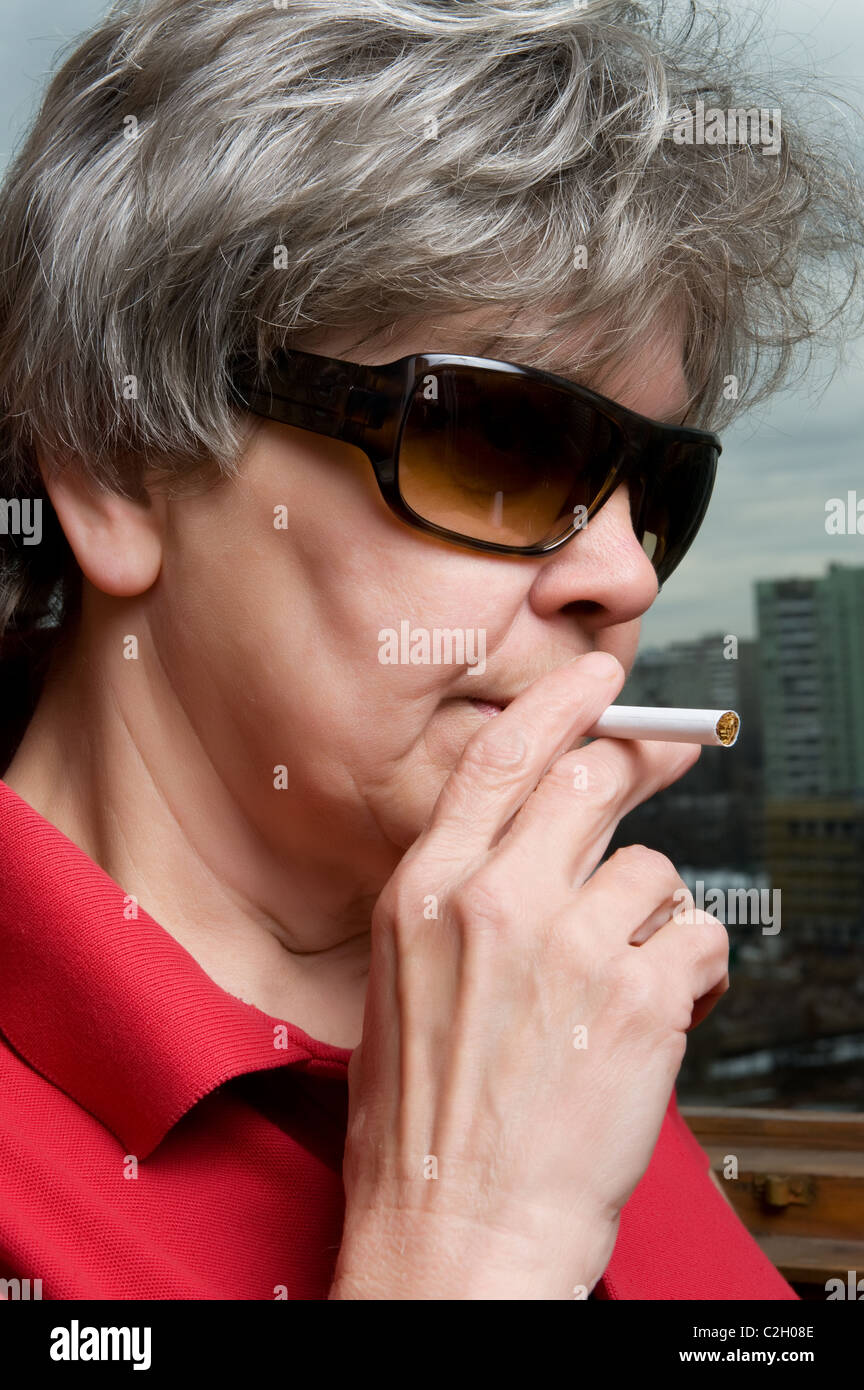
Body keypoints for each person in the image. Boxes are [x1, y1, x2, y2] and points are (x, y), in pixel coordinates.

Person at [0, 0, 861, 1301]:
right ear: (122, 462)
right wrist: (468, 1257)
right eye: (500, 439)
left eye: (658, 485)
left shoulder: (538, 988)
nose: (627, 572)